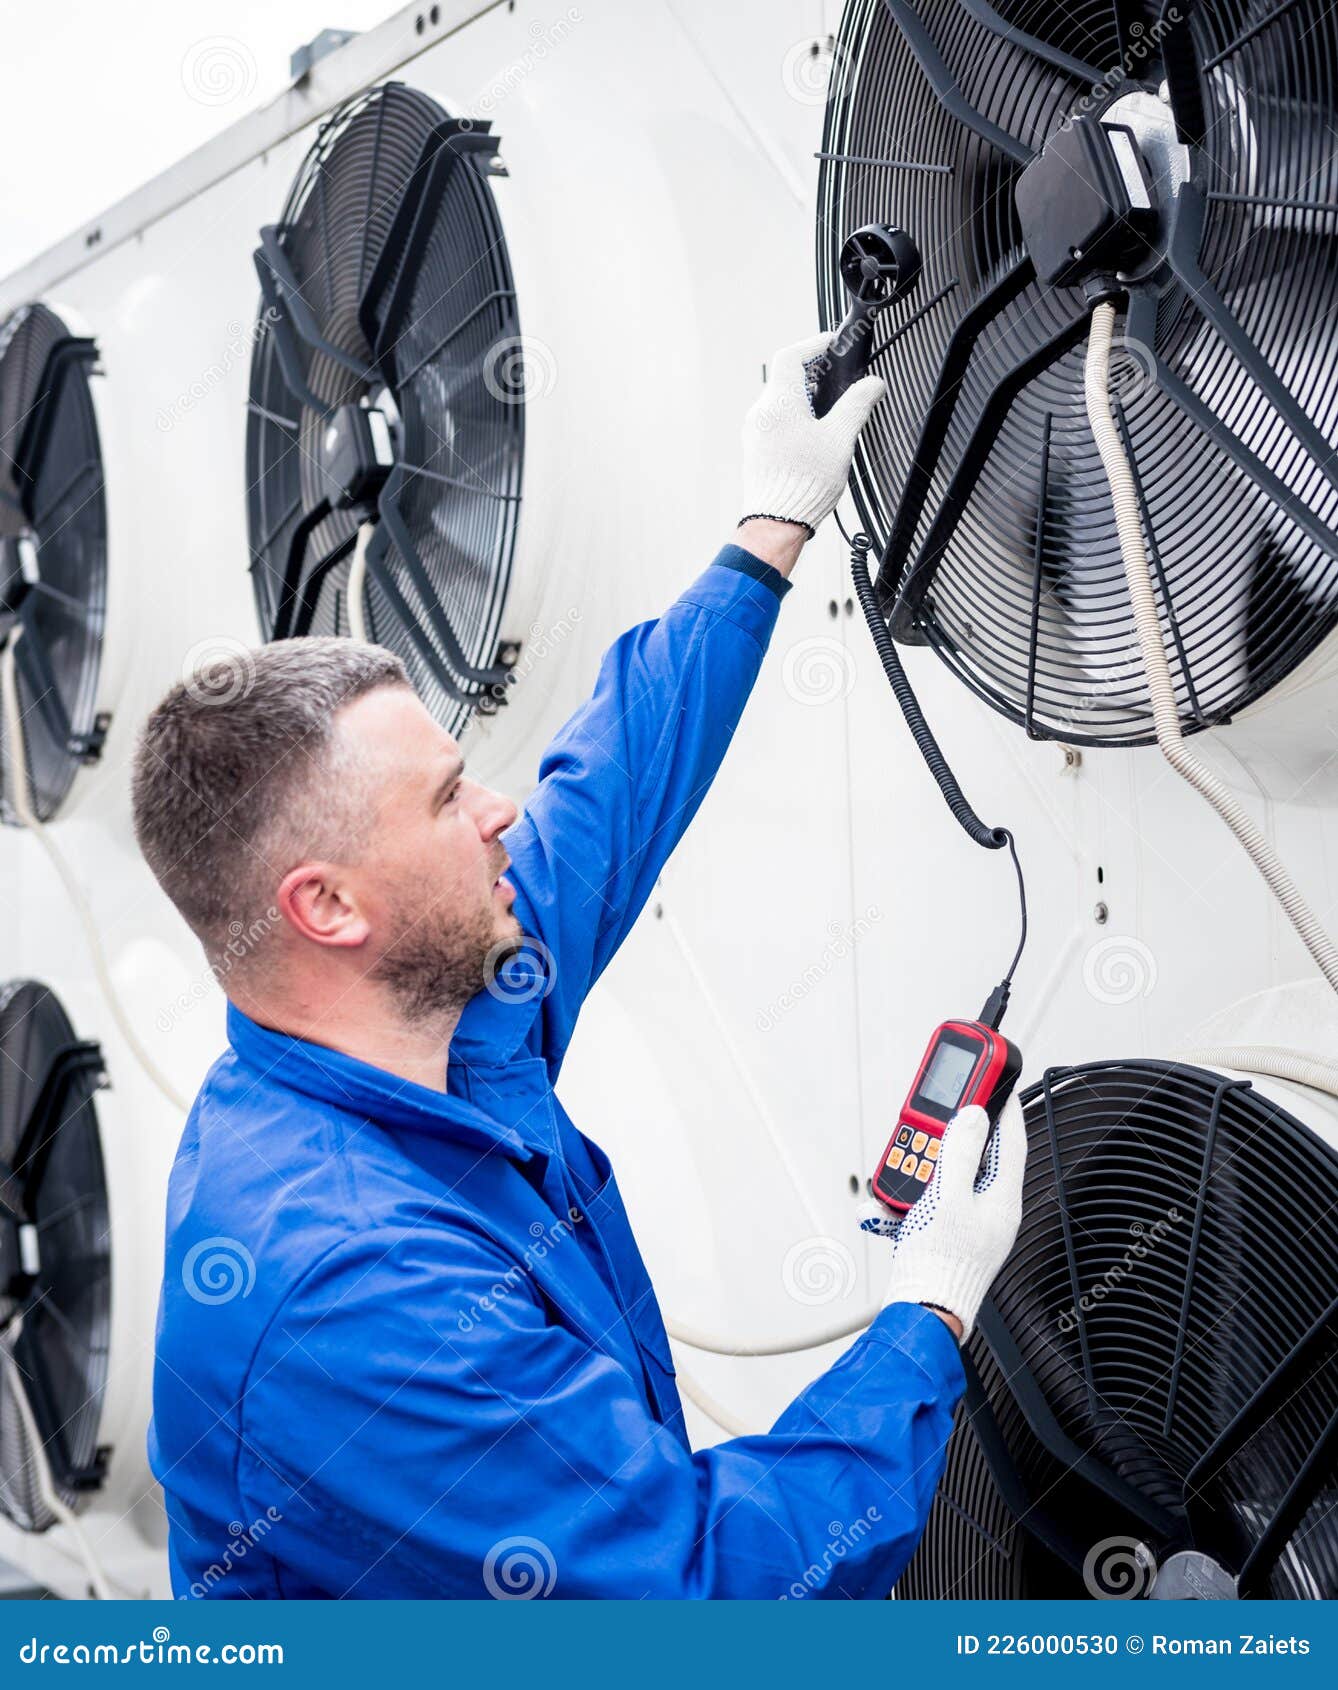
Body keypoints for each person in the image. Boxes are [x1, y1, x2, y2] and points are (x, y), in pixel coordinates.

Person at [133, 334, 1025, 1599]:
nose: (499, 811)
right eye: (446, 799)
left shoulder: (434, 1006)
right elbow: (710, 1594)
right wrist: (928, 1311)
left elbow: (610, 781)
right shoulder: (350, 1294)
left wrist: (768, 526)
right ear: (327, 904)